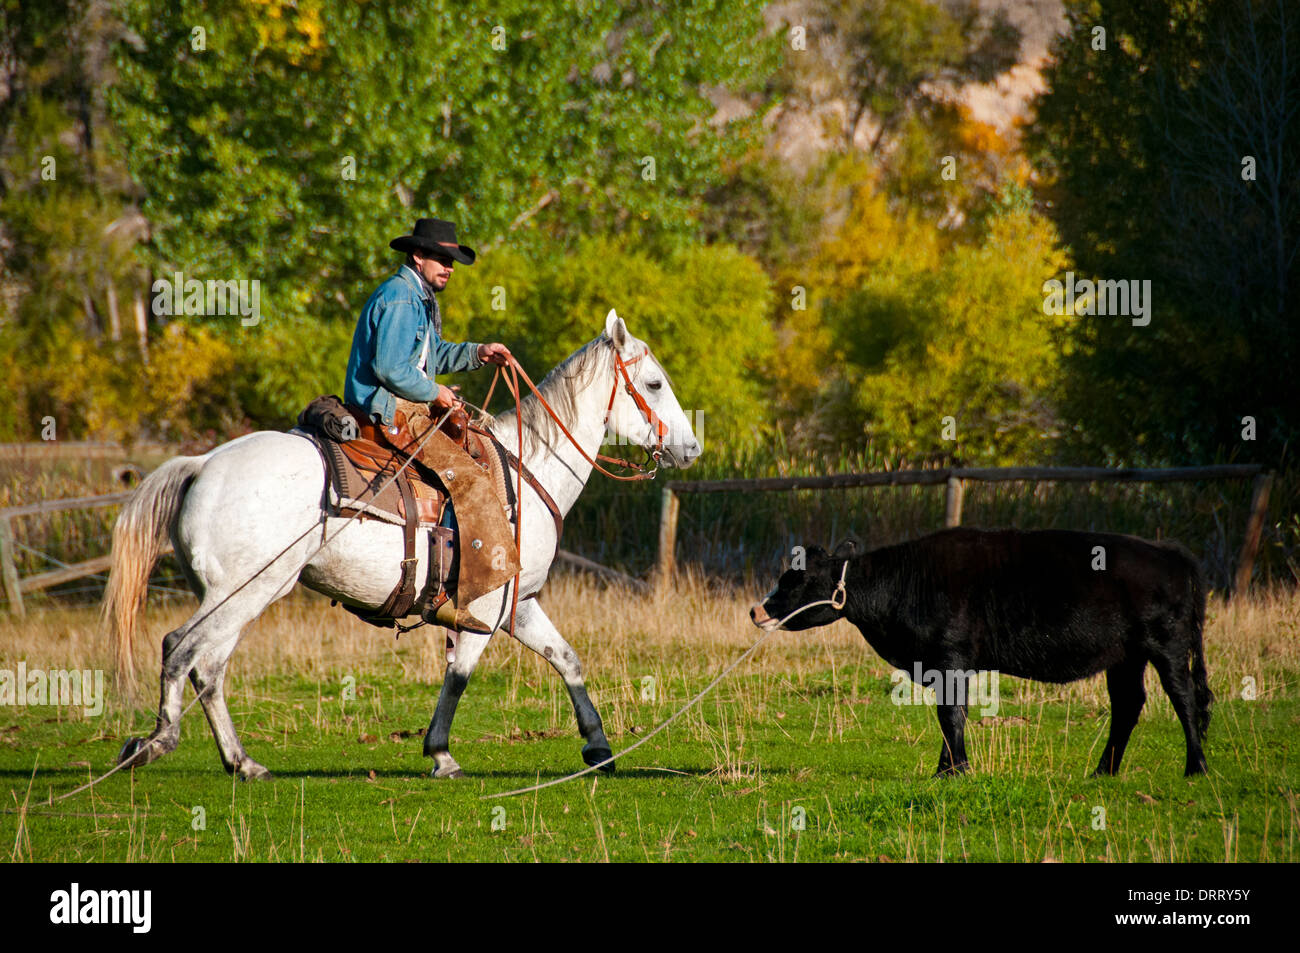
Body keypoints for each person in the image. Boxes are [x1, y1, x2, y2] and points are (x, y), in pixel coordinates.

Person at [344, 218, 520, 633]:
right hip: (390, 411)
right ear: (418, 256)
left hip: (405, 404)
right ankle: (442, 594)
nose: (450, 267)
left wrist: (479, 352)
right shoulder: (403, 299)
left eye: (453, 260)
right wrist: (433, 392)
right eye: (442, 258)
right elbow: (390, 368)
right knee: (471, 478)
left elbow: (432, 354)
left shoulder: (416, 296)